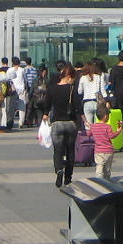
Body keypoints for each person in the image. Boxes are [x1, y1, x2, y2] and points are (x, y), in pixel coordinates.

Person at [42, 60, 82, 188]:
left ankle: (59, 170)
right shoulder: (72, 89)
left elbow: (46, 104)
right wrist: (83, 121)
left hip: (57, 123)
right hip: (71, 124)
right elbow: (78, 107)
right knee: (71, 151)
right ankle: (68, 178)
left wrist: (45, 114)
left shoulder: (52, 89)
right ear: (69, 76)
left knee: (58, 150)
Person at [87, 97, 118, 180]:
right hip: (108, 151)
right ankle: (107, 181)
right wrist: (118, 131)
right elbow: (111, 136)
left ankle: (99, 181)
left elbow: (88, 134)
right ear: (105, 116)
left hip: (98, 151)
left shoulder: (93, 127)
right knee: (107, 169)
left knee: (99, 167)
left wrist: (89, 127)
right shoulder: (108, 127)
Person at [78, 59, 107, 125]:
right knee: (97, 124)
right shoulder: (99, 77)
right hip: (97, 102)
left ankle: (89, 135)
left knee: (88, 124)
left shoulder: (83, 77)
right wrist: (106, 100)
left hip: (87, 103)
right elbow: (103, 90)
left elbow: (79, 91)